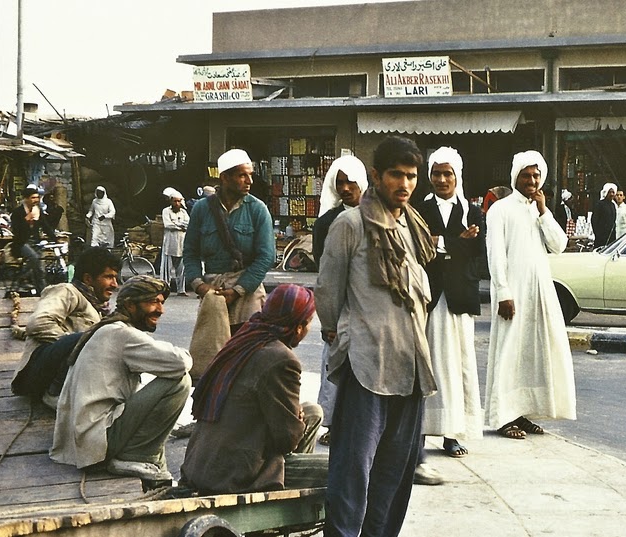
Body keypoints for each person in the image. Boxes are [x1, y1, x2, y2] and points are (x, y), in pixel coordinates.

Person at [315, 136, 437, 537]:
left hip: (410, 366)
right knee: (353, 473)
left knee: (394, 477)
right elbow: (328, 296)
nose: (404, 184)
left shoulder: (411, 225)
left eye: (412, 176)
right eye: (396, 175)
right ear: (376, 176)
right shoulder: (349, 225)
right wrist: (342, 337)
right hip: (367, 365)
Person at [180, 284, 327, 494]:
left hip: (204, 463)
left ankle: (289, 485)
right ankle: (285, 497)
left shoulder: (246, 339)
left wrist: (295, 418)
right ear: (299, 327)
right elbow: (287, 439)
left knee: (314, 412)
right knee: (342, 470)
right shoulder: (281, 360)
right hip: (238, 474)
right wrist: (295, 419)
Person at [50, 275, 191, 485]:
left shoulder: (109, 328)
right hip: (96, 441)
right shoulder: (120, 333)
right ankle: (137, 456)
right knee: (180, 381)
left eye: (161, 302)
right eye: (152, 302)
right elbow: (179, 363)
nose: (160, 310)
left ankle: (147, 459)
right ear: (130, 306)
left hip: (84, 438)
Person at [485, 150, 576, 440]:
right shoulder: (501, 209)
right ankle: (502, 417)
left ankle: (522, 414)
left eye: (536, 175)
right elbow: (496, 255)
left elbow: (559, 244)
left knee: (532, 353)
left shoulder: (538, 210)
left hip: (539, 292)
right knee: (509, 352)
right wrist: (503, 292)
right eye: (526, 175)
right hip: (513, 291)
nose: (532, 181)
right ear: (516, 177)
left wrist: (544, 213)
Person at [413, 147, 484, 486]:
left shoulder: (472, 210)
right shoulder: (419, 209)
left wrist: (441, 243)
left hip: (458, 298)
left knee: (459, 364)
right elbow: (417, 246)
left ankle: (452, 432)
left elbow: (478, 252)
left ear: (458, 176)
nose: (442, 179)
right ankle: (424, 432)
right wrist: (456, 241)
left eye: (448, 174)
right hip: (428, 298)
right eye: (436, 174)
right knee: (431, 363)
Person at [11, 247, 120, 407]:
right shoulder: (67, 291)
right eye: (108, 277)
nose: (115, 285)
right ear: (88, 279)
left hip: (61, 369)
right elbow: (38, 323)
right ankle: (54, 393)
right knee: (88, 338)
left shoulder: (96, 306)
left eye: (115, 278)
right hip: (36, 373)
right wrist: (79, 343)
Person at [184, 148, 276, 334]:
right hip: (213, 292)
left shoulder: (257, 209)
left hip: (247, 292)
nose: (249, 181)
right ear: (225, 177)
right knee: (213, 350)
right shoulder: (202, 209)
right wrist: (199, 285)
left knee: (248, 350)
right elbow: (190, 252)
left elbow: (266, 257)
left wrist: (237, 291)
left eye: (250, 175)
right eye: (242, 175)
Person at [312, 154, 367, 446]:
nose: (346, 188)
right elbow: (324, 275)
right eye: (340, 183)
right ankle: (334, 424)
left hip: (368, 305)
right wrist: (328, 317)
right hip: (340, 304)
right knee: (335, 364)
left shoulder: (375, 217)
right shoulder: (326, 223)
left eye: (351, 182)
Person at [10, 185, 56, 292]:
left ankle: (42, 291)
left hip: (35, 241)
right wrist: (26, 219)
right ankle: (22, 276)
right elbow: (16, 231)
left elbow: (45, 226)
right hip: (21, 243)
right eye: (33, 198)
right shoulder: (18, 212)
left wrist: (54, 238)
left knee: (40, 268)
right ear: (26, 199)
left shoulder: (38, 210)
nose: (36, 200)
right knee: (34, 258)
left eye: (37, 197)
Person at [161, 188, 189, 296]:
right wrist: (180, 226)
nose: (177, 203)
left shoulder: (184, 212)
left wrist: (177, 224)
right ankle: (164, 288)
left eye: (178, 201)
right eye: (174, 201)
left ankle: (181, 290)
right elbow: (167, 225)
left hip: (181, 243)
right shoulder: (166, 211)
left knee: (181, 268)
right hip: (170, 243)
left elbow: (188, 224)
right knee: (166, 269)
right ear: (171, 201)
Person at [590, 182, 617, 248]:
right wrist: (598, 234)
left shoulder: (613, 205)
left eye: (613, 192)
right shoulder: (599, 204)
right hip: (601, 237)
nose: (611, 194)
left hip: (611, 236)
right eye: (609, 192)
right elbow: (594, 220)